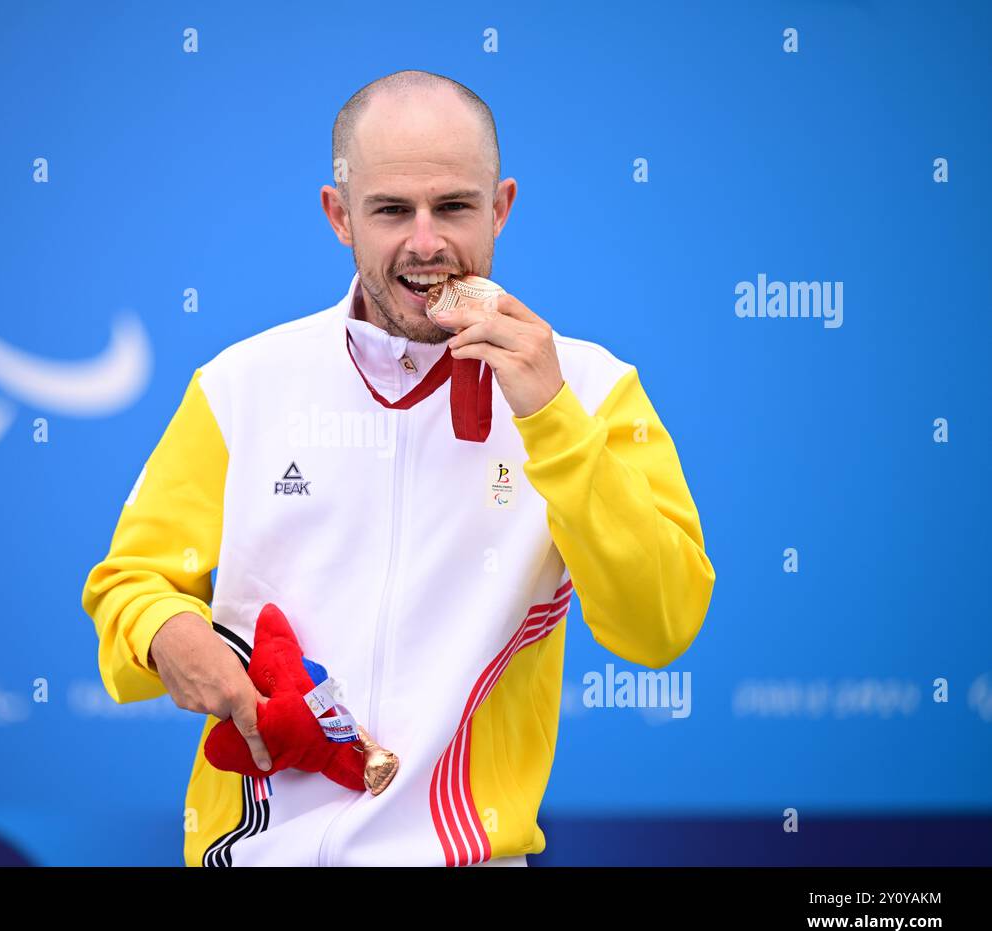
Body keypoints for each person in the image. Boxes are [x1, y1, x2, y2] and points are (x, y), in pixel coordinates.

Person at [82, 69, 715, 866]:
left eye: (454, 206)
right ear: (339, 217)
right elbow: (129, 587)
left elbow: (659, 624)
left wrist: (550, 419)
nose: (426, 242)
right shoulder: (242, 384)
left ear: (501, 207)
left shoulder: (590, 389)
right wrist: (166, 632)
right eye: (391, 211)